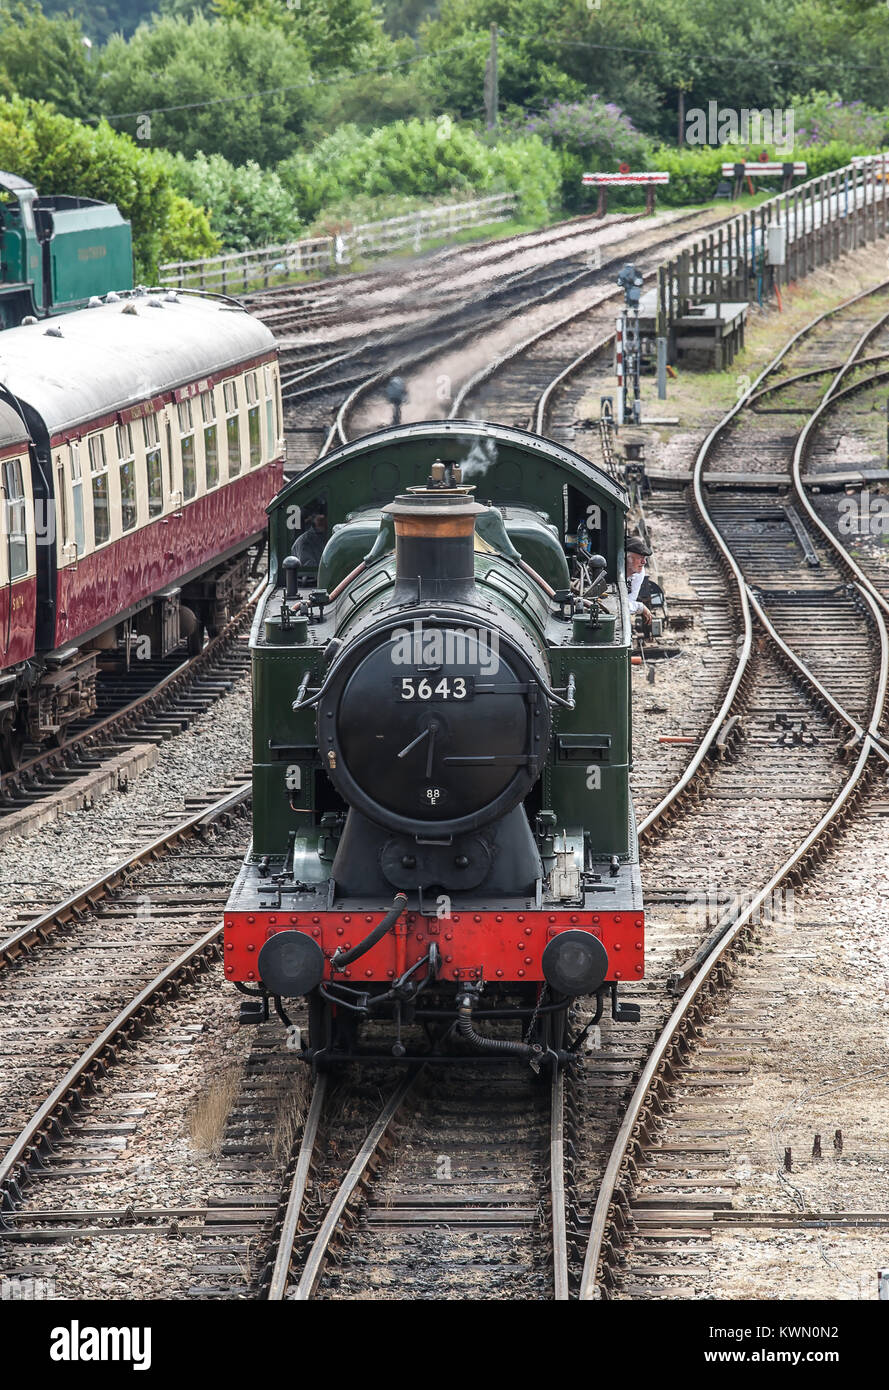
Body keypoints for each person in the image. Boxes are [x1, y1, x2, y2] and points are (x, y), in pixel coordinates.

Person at [625, 534, 653, 626]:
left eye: (645, 558)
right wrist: (640, 607)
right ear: (627, 558)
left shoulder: (639, 573)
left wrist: (638, 607)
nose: (644, 562)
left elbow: (627, 604)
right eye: (640, 558)